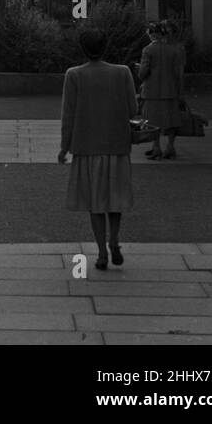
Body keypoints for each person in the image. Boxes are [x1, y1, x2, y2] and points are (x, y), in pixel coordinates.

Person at [59, 27, 138, 271]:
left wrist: (64, 147)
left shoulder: (74, 75)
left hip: (86, 146)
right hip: (116, 144)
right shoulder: (122, 73)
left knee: (95, 202)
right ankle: (115, 240)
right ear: (105, 47)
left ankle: (102, 252)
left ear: (83, 49)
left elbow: (68, 115)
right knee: (115, 200)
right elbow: (133, 110)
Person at [137, 21, 184, 160]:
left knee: (153, 120)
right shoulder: (174, 50)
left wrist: (139, 70)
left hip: (152, 91)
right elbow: (178, 73)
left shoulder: (148, 50)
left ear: (152, 34)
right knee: (171, 119)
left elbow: (143, 72)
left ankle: (156, 146)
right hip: (170, 90)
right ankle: (170, 146)